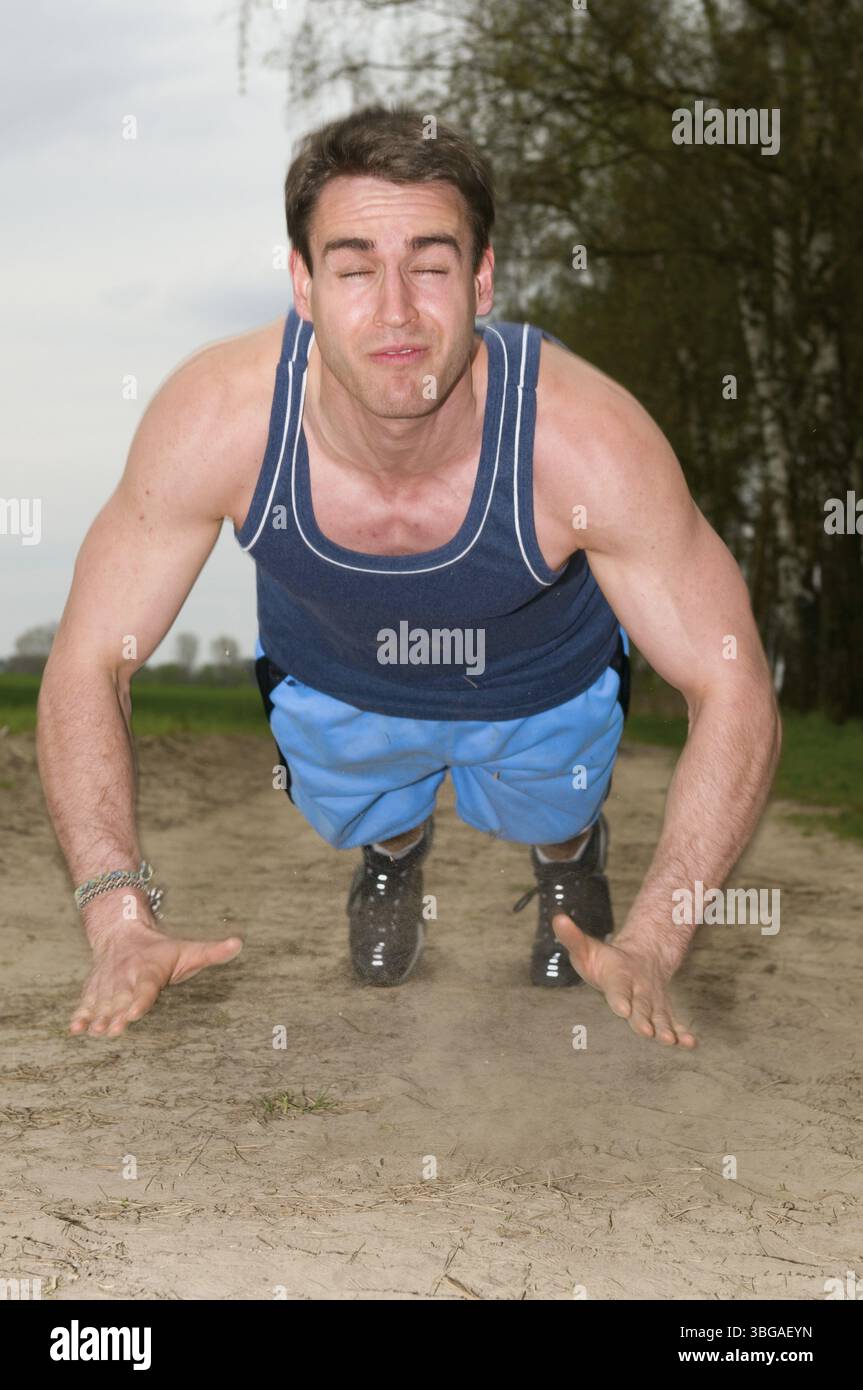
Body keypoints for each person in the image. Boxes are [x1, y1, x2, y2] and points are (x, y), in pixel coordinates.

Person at [37, 105, 781, 1046]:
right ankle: (392, 853)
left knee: (551, 800)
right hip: (335, 681)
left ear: (481, 277)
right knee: (366, 808)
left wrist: (657, 937)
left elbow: (730, 678)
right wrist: (117, 919)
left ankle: (567, 851)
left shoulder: (584, 439)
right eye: (353, 268)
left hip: (535, 686)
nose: (394, 310)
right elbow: (90, 659)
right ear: (303, 284)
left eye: (429, 266)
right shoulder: (218, 421)